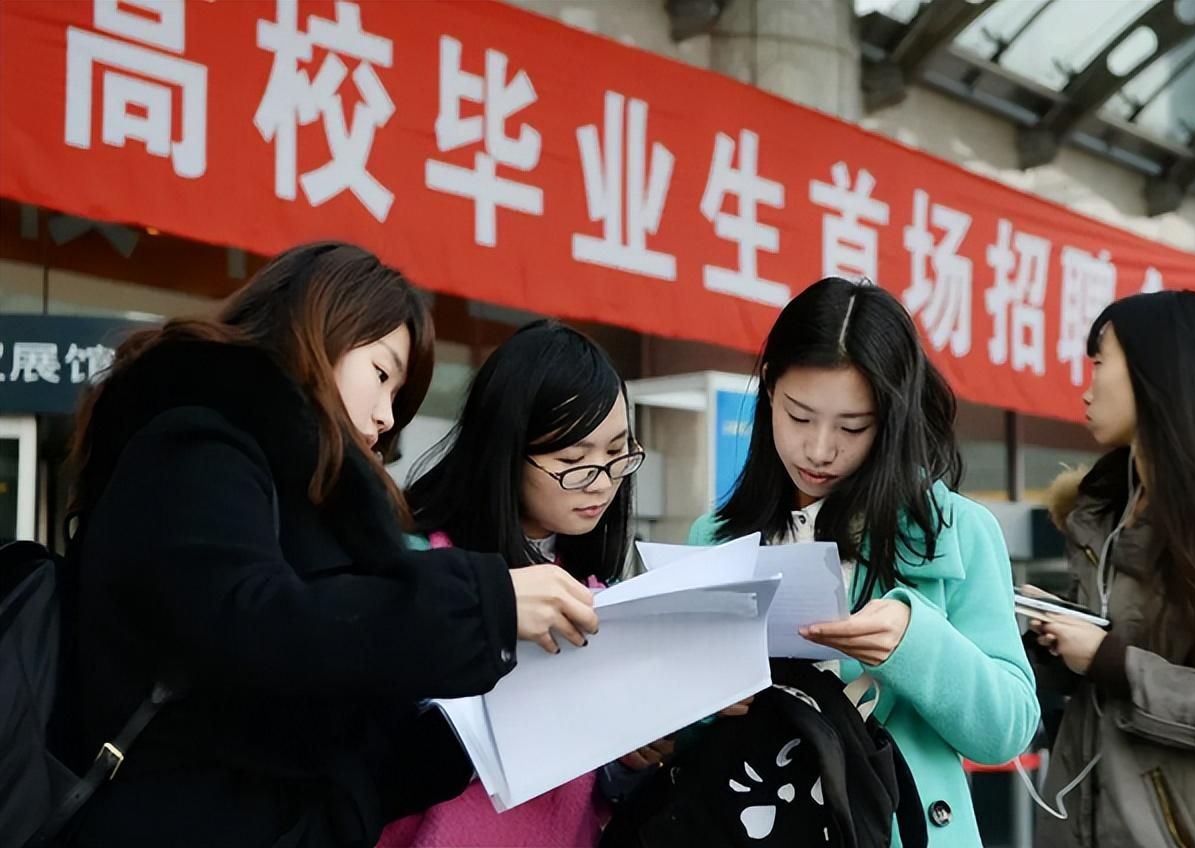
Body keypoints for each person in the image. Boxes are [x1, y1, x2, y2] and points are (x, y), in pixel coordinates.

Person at [59, 242, 597, 848]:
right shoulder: (195, 444)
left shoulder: (307, 505)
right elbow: (255, 623)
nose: (389, 417)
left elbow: (348, 759)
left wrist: (491, 727)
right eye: (383, 374)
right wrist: (486, 604)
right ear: (320, 326)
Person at [686, 277, 1039, 847]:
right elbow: (670, 728)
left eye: (853, 427)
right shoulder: (716, 538)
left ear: (893, 419)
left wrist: (917, 642)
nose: (820, 449)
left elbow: (1008, 731)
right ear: (770, 390)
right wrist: (701, 703)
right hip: (747, 823)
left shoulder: (955, 531)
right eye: (799, 418)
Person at [381, 320, 655, 848]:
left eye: (617, 451)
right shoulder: (423, 564)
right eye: (573, 461)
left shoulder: (598, 585)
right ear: (505, 452)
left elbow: (590, 790)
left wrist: (630, 757)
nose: (601, 480)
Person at [1028, 290, 1195, 848]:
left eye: (1099, 363)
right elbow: (1109, 657)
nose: (1087, 388)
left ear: (1155, 372)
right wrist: (1054, 629)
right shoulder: (1103, 514)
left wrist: (1110, 660)